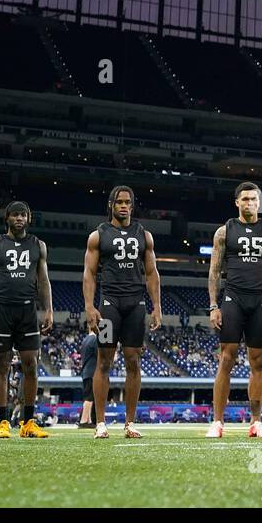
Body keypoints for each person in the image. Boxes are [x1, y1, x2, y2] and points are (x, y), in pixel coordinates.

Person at [84, 186, 163, 439]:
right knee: (104, 360)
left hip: (135, 304)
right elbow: (89, 273)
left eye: (128, 202)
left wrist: (157, 306)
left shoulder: (144, 235)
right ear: (111, 204)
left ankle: (130, 423)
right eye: (119, 202)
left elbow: (151, 273)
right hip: (110, 305)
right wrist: (89, 305)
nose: (124, 206)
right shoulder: (98, 235)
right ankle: (100, 423)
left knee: (133, 361)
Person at [205, 182, 262, 438]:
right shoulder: (225, 231)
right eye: (245, 199)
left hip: (258, 300)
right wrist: (214, 305)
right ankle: (217, 422)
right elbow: (214, 271)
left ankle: (256, 422)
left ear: (260, 202)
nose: (250, 203)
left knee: (258, 362)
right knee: (226, 359)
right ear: (237, 202)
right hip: (233, 299)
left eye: (254, 199)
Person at [0, 201, 53, 440]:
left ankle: (28, 422)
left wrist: (48, 309)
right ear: (7, 218)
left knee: (30, 364)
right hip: (1, 309)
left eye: (23, 215)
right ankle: (3, 422)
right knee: (2, 365)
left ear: (29, 218)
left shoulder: (38, 245)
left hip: (28, 309)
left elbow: (44, 280)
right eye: (15, 215)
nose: (19, 218)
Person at [78, 329, 98, 429]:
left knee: (89, 396)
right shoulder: (95, 340)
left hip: (86, 371)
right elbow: (99, 355)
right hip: (92, 371)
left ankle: (89, 420)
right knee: (89, 397)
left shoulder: (85, 339)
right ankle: (83, 420)